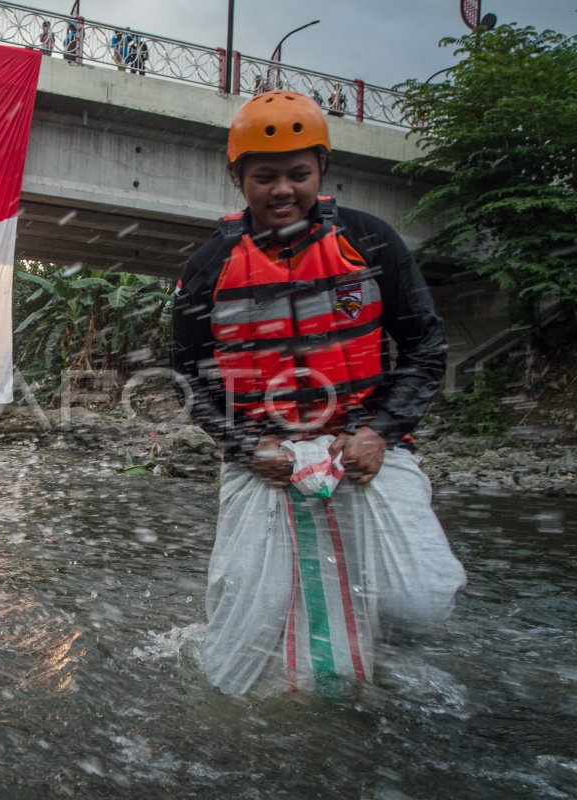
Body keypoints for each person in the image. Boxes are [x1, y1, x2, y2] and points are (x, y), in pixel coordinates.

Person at [170, 91, 465, 693]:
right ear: (237, 178)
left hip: (367, 445)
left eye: (299, 174)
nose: (283, 190)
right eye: (265, 177)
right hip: (262, 455)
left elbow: (425, 348)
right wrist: (246, 446)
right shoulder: (208, 266)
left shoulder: (371, 240)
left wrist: (379, 433)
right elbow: (189, 376)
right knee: (246, 616)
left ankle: (374, 665)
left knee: (419, 602)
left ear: (322, 169)